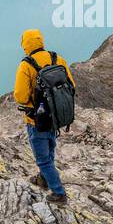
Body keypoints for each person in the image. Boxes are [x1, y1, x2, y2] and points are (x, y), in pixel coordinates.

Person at [13, 28, 75, 203]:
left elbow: (21, 96)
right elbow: (71, 85)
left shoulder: (27, 65)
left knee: (43, 159)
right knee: (50, 150)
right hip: (55, 118)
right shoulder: (56, 58)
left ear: (25, 45)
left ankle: (58, 192)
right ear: (41, 41)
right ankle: (43, 179)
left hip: (37, 120)